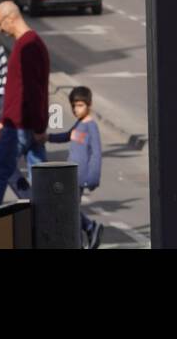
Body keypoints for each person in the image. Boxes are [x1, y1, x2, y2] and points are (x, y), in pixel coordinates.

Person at [0, 1, 50, 205]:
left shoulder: (28, 46)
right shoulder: (29, 43)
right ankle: (52, 225)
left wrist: (39, 125)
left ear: (10, 18)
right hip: (25, 124)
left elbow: (33, 90)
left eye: (0, 24)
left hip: (19, 126)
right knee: (42, 182)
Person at [48, 86, 103, 249]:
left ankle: (83, 234)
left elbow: (96, 154)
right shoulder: (79, 123)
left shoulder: (91, 126)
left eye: (80, 105)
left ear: (89, 104)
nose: (76, 109)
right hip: (71, 175)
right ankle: (88, 228)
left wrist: (93, 178)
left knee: (69, 209)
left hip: (81, 176)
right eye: (73, 106)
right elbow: (67, 135)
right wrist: (48, 137)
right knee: (68, 207)